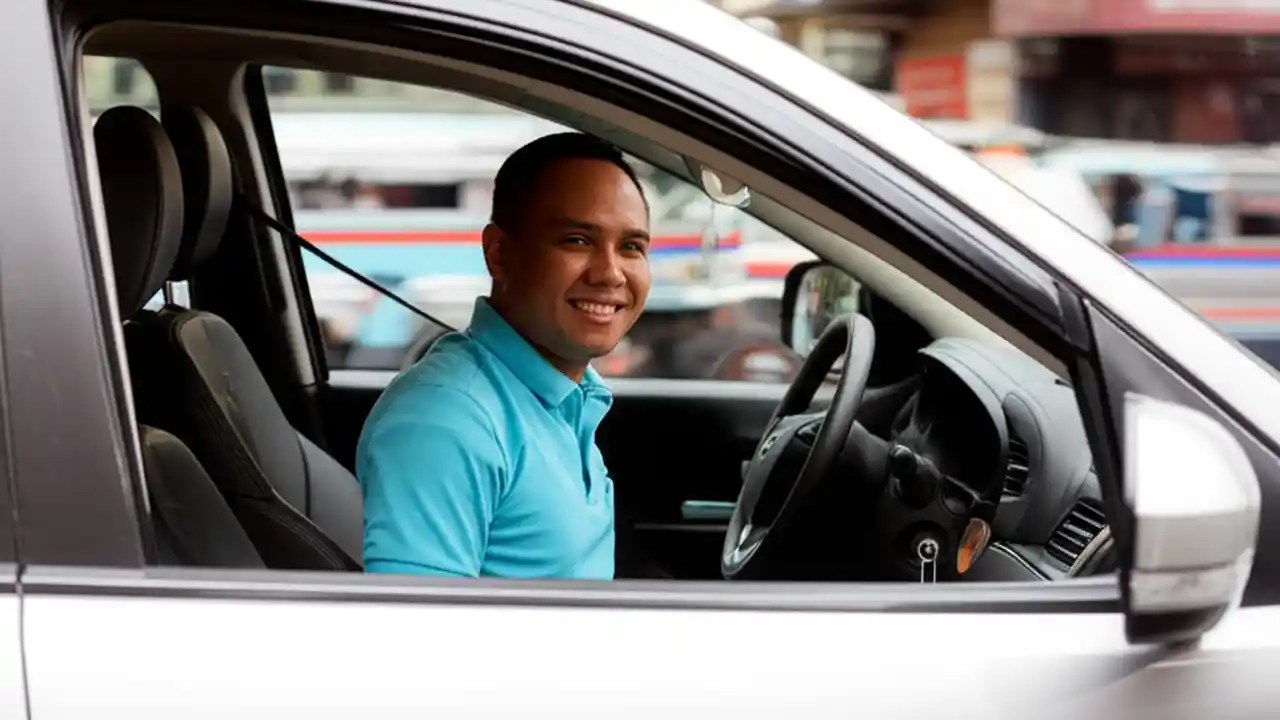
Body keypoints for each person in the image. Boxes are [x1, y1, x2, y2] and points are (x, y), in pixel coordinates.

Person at [355, 132, 652, 579]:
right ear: (499, 254)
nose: (610, 273)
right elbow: (415, 636)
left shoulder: (562, 394)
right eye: (577, 240)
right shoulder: (448, 418)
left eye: (631, 247)